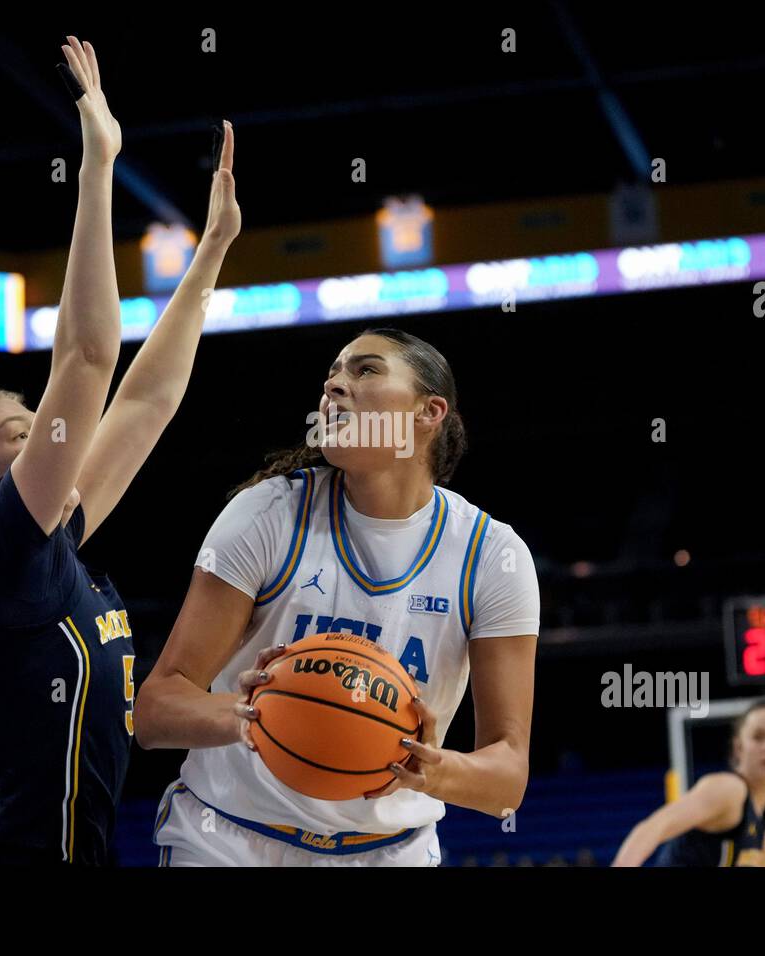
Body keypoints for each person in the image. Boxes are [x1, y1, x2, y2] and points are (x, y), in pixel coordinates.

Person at [0, 37, 241, 864]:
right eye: (22, 437)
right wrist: (99, 164)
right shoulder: (5, 559)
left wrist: (209, 255)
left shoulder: (49, 548)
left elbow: (145, 401)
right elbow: (90, 363)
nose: (49, 443)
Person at [138, 328, 540, 866]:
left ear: (429, 411)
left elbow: (507, 778)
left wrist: (434, 768)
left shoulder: (491, 555)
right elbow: (155, 710)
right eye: (333, 373)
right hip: (228, 839)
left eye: (365, 370)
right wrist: (250, 712)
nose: (334, 384)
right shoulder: (268, 514)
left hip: (389, 852)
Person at [612, 698, 765, 866]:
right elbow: (656, 826)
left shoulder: (758, 828)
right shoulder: (729, 790)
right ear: (739, 748)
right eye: (759, 737)